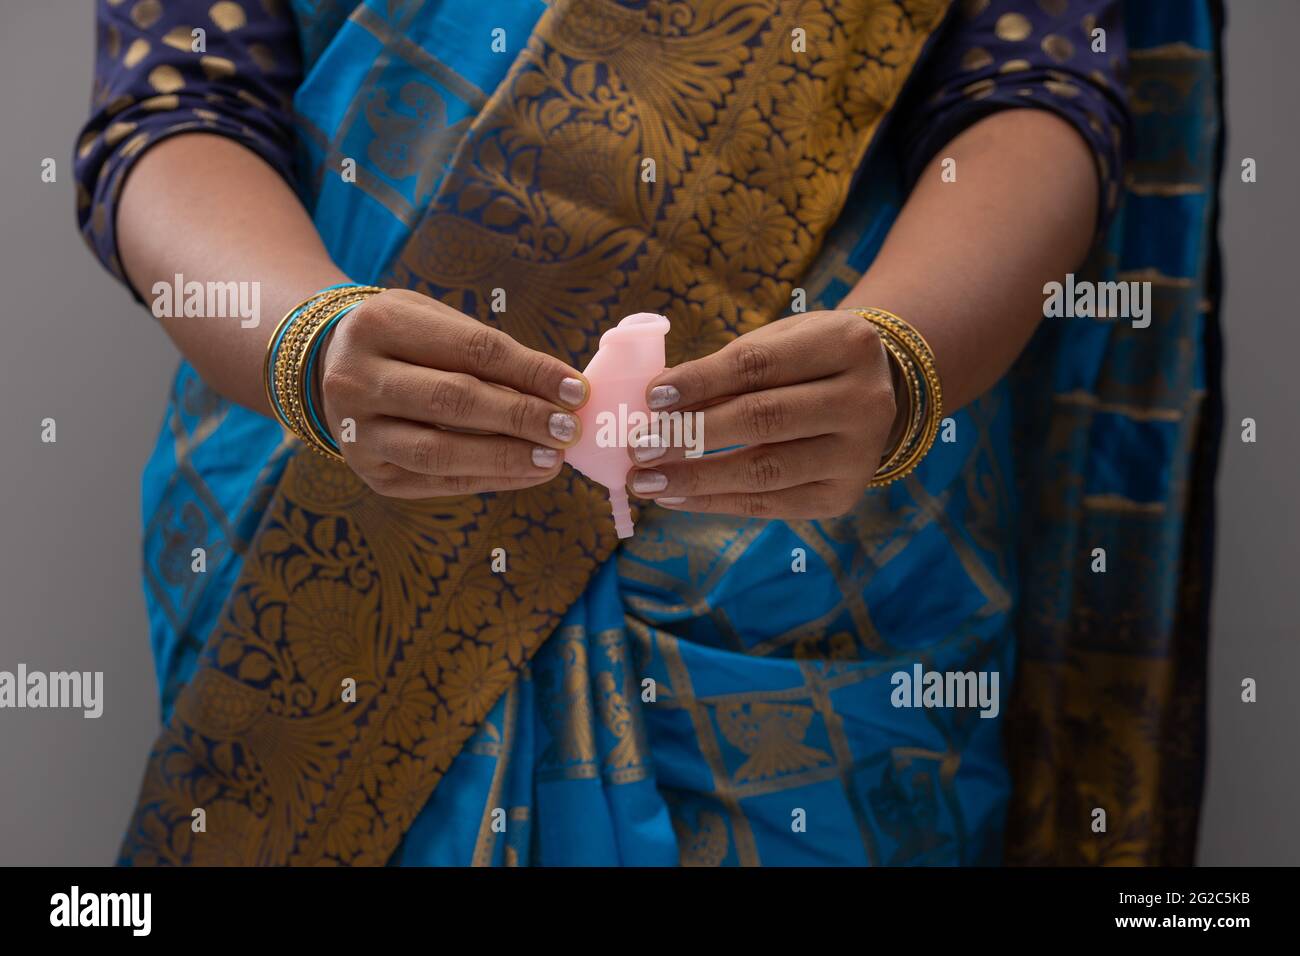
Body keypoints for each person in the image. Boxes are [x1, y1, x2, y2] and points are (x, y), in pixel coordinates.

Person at [77, 0, 1221, 865]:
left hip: (808, 572)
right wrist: (301, 343)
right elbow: (176, 96)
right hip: (330, 525)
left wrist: (904, 359)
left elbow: (1033, 82)